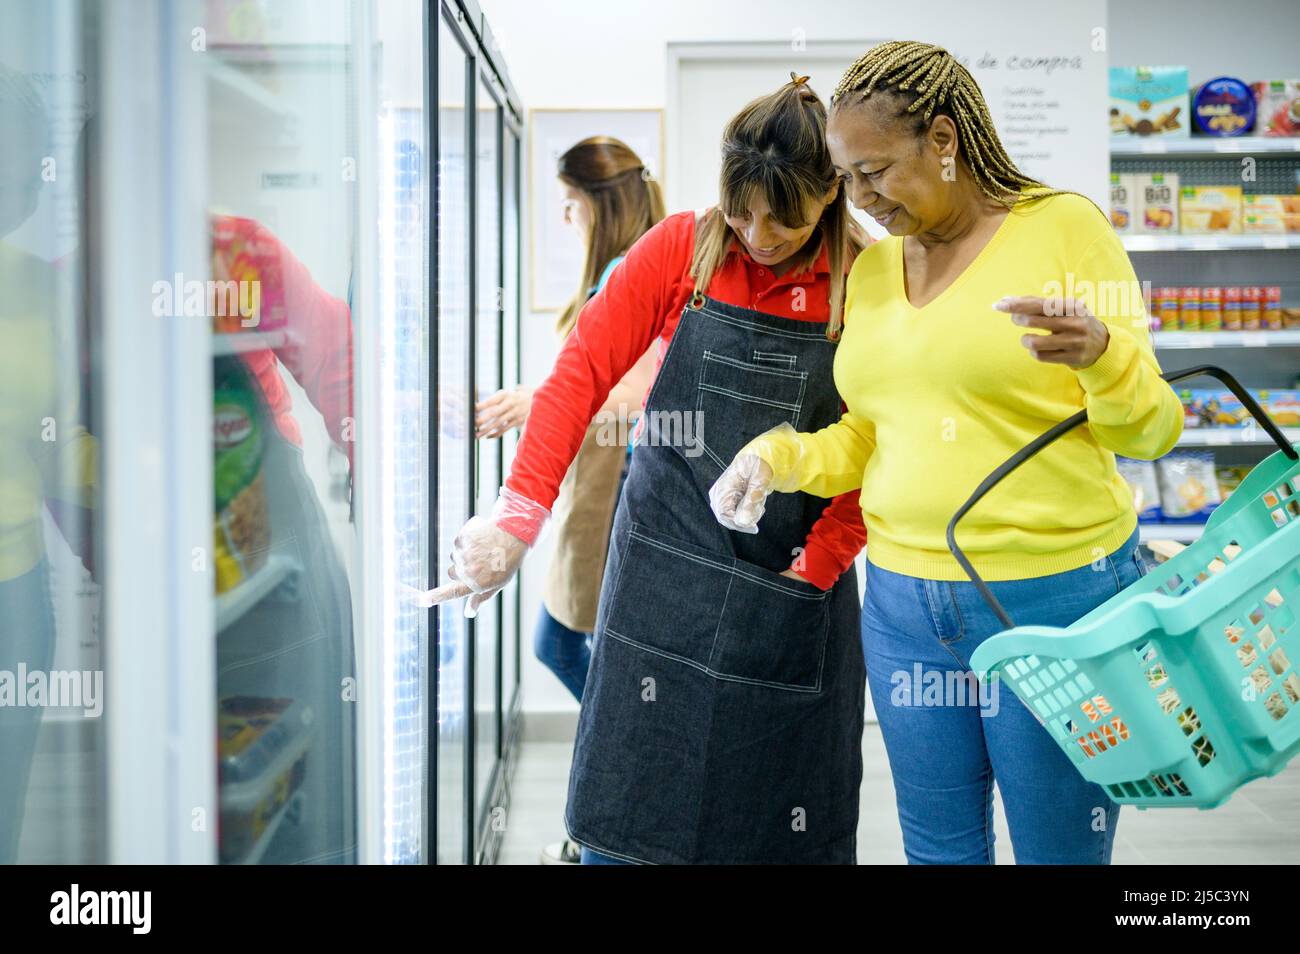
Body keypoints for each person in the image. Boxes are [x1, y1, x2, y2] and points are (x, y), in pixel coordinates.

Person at [709, 42, 1184, 865]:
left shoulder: (1065, 227)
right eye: (846, 176)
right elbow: (872, 431)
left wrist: (1103, 355)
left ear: (943, 137)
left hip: (1052, 602)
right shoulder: (879, 269)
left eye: (877, 171)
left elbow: (1150, 433)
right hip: (901, 607)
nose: (859, 198)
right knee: (938, 850)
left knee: (1058, 849)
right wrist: (778, 458)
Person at [435, 75, 869, 864]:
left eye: (787, 215)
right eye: (741, 208)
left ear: (831, 190)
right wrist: (515, 519)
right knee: (631, 813)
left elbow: (881, 437)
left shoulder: (866, 282)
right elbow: (580, 375)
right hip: (661, 583)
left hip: (793, 590)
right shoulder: (680, 249)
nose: (759, 233)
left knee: (775, 828)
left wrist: (825, 556)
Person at [474, 136, 662, 865]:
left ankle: (627, 794)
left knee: (563, 647)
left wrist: (536, 400)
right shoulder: (633, 266)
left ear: (599, 204)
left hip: (616, 493)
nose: (567, 218)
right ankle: (624, 789)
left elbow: (633, 394)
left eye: (571, 204)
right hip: (599, 487)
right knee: (569, 648)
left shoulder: (631, 268)